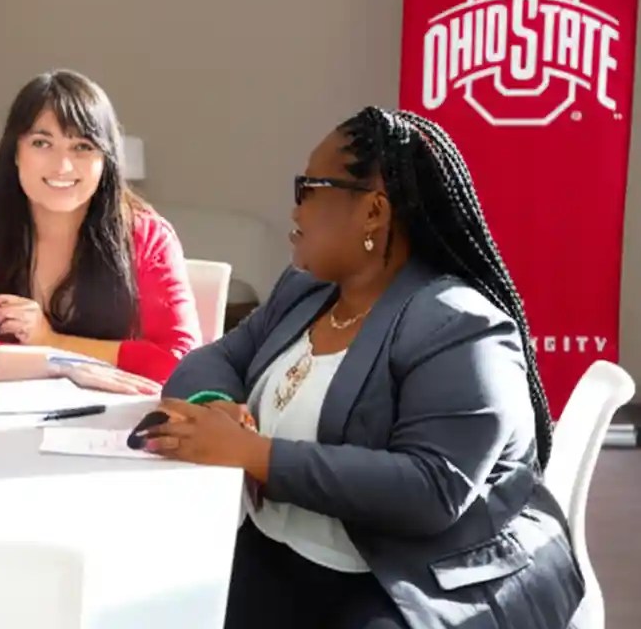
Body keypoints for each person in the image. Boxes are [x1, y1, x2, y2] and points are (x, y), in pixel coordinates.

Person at [142, 107, 584, 628]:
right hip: (283, 558)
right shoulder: (307, 289)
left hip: (411, 583)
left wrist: (256, 455)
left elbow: (431, 489)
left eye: (308, 187)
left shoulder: (460, 326)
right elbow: (218, 357)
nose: (294, 208)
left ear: (374, 211)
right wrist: (216, 408)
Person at [0, 70, 201, 391]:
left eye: (82, 146)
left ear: (107, 159)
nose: (62, 166)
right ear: (15, 153)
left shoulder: (147, 237)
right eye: (42, 143)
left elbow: (178, 361)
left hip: (110, 430)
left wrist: (52, 340)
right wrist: (54, 362)